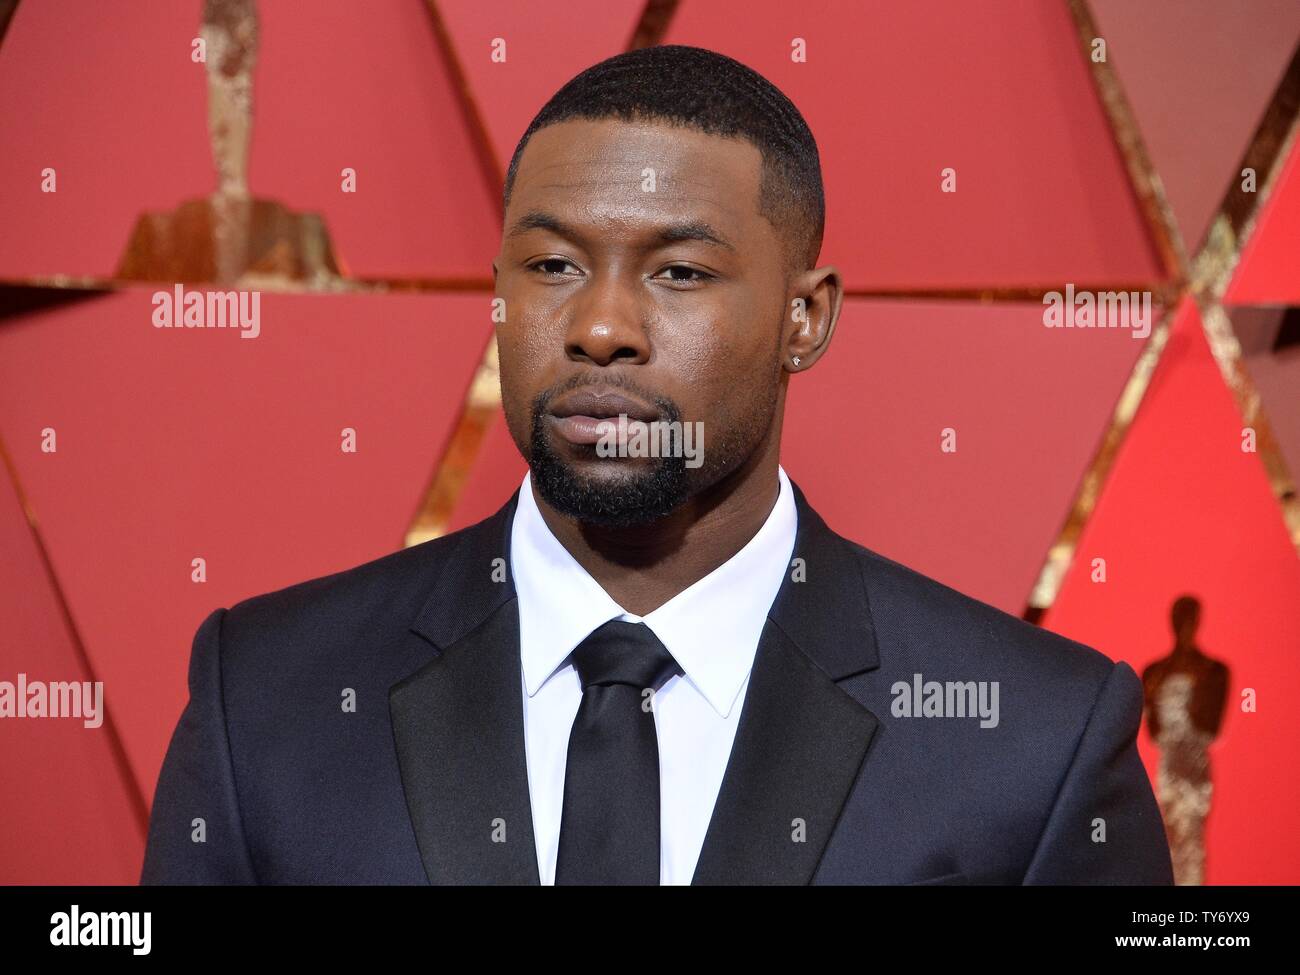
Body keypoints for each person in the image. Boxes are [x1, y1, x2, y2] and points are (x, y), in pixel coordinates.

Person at [141, 44, 1173, 885]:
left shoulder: (1035, 739)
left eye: (679, 272)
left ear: (805, 319)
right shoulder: (265, 694)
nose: (599, 327)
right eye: (552, 265)